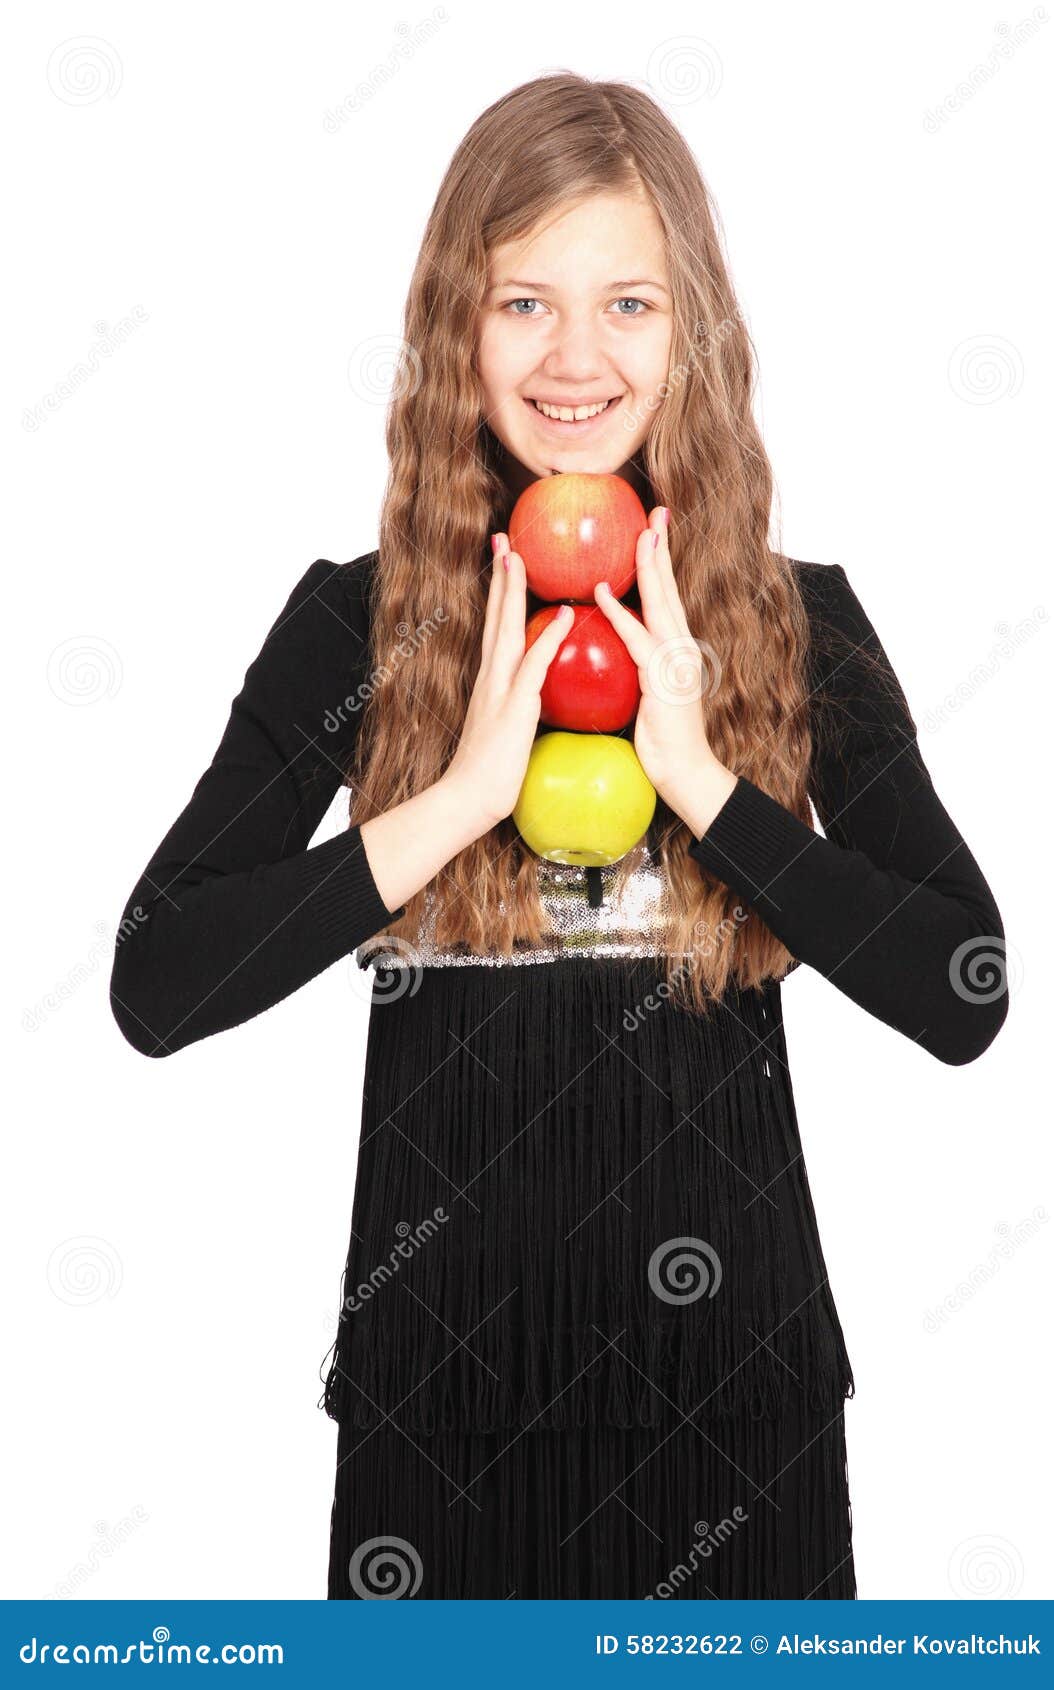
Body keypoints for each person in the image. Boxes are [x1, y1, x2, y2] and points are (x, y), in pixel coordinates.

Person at [109, 73, 1008, 1600]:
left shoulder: (796, 624)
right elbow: (158, 978)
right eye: (524, 301)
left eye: (630, 305)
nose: (577, 356)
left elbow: (962, 991)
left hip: (739, 1417)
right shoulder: (361, 624)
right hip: (439, 1423)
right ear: (457, 325)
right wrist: (453, 797)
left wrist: (708, 785)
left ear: (694, 334)